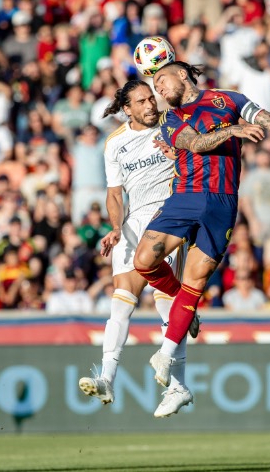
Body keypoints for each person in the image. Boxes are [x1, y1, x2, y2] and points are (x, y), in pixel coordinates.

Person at [134, 61, 270, 387]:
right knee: (144, 261)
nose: (158, 90)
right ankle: (184, 307)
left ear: (182, 74)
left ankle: (164, 355)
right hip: (187, 195)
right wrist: (231, 131)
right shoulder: (170, 118)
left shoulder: (229, 99)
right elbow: (195, 143)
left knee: (197, 280)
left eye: (161, 80)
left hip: (224, 202)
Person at [77, 81, 195, 418]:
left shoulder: (172, 124)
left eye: (150, 98)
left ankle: (177, 385)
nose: (150, 105)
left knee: (164, 301)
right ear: (126, 109)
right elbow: (114, 194)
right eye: (141, 101)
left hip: (170, 215)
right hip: (133, 220)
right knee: (121, 300)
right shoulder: (114, 143)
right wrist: (115, 227)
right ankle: (107, 378)